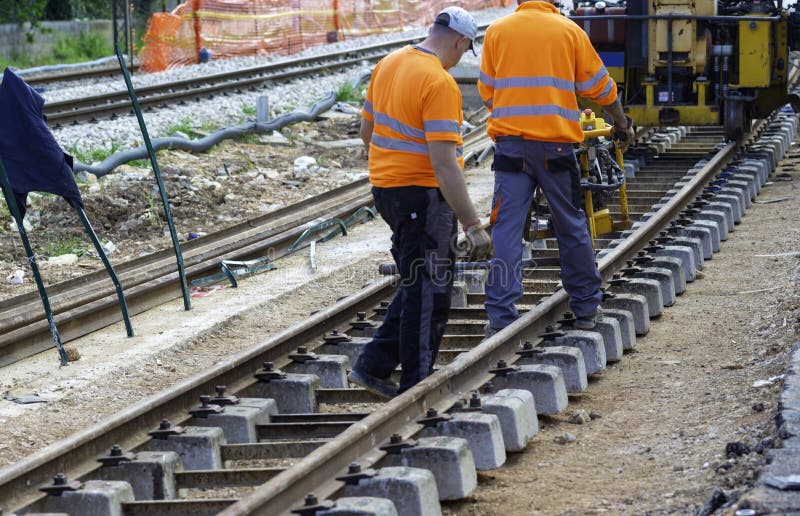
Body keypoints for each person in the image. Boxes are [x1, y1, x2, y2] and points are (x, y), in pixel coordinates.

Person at [347, 6, 493, 399]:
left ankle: (373, 365)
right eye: (465, 50)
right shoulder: (439, 82)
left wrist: (394, 166)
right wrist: (472, 225)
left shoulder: (389, 63)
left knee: (419, 283)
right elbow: (445, 164)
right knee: (429, 290)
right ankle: (417, 386)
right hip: (423, 196)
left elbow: (367, 131)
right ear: (461, 42)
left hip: (388, 192)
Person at [478, 0, 635, 335]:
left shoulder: (497, 32)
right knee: (570, 222)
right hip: (556, 147)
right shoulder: (569, 31)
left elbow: (487, 92)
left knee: (506, 228)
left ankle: (500, 318)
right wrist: (621, 121)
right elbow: (602, 88)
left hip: (511, 148)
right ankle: (586, 307)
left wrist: (513, 114)